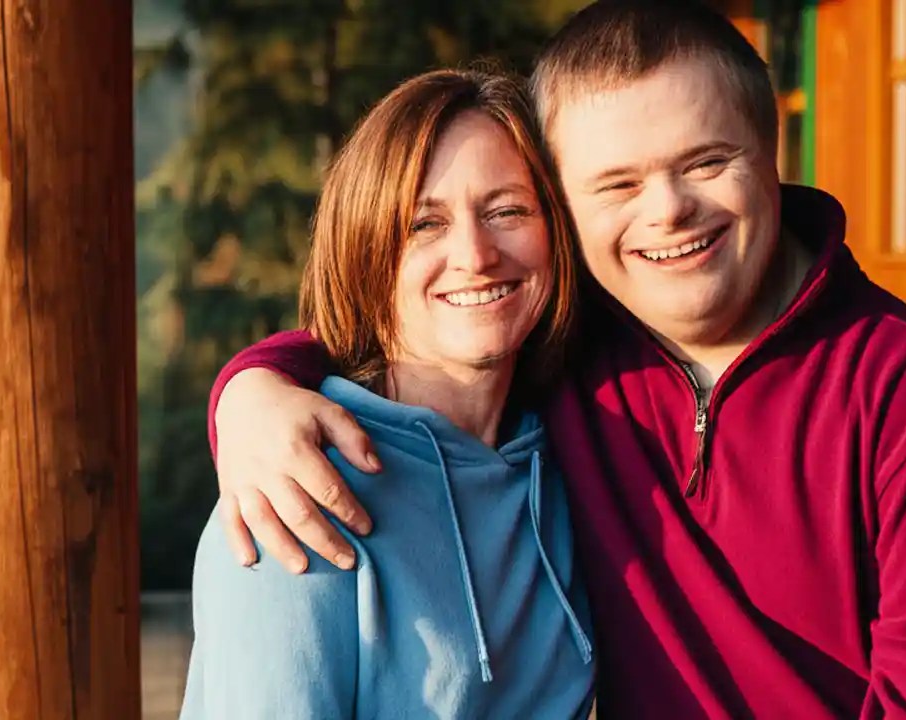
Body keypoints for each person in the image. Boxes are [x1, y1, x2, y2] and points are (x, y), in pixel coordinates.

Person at [206, 1, 906, 717]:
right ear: (572, 208)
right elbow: (405, 328)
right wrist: (250, 391)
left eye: (707, 162)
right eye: (616, 184)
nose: (670, 211)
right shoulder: (570, 356)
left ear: (771, 151)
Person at [179, 69, 596, 719]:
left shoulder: (571, 449)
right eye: (424, 224)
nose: (476, 254)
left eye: (507, 210)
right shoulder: (293, 490)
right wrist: (245, 392)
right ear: (367, 251)